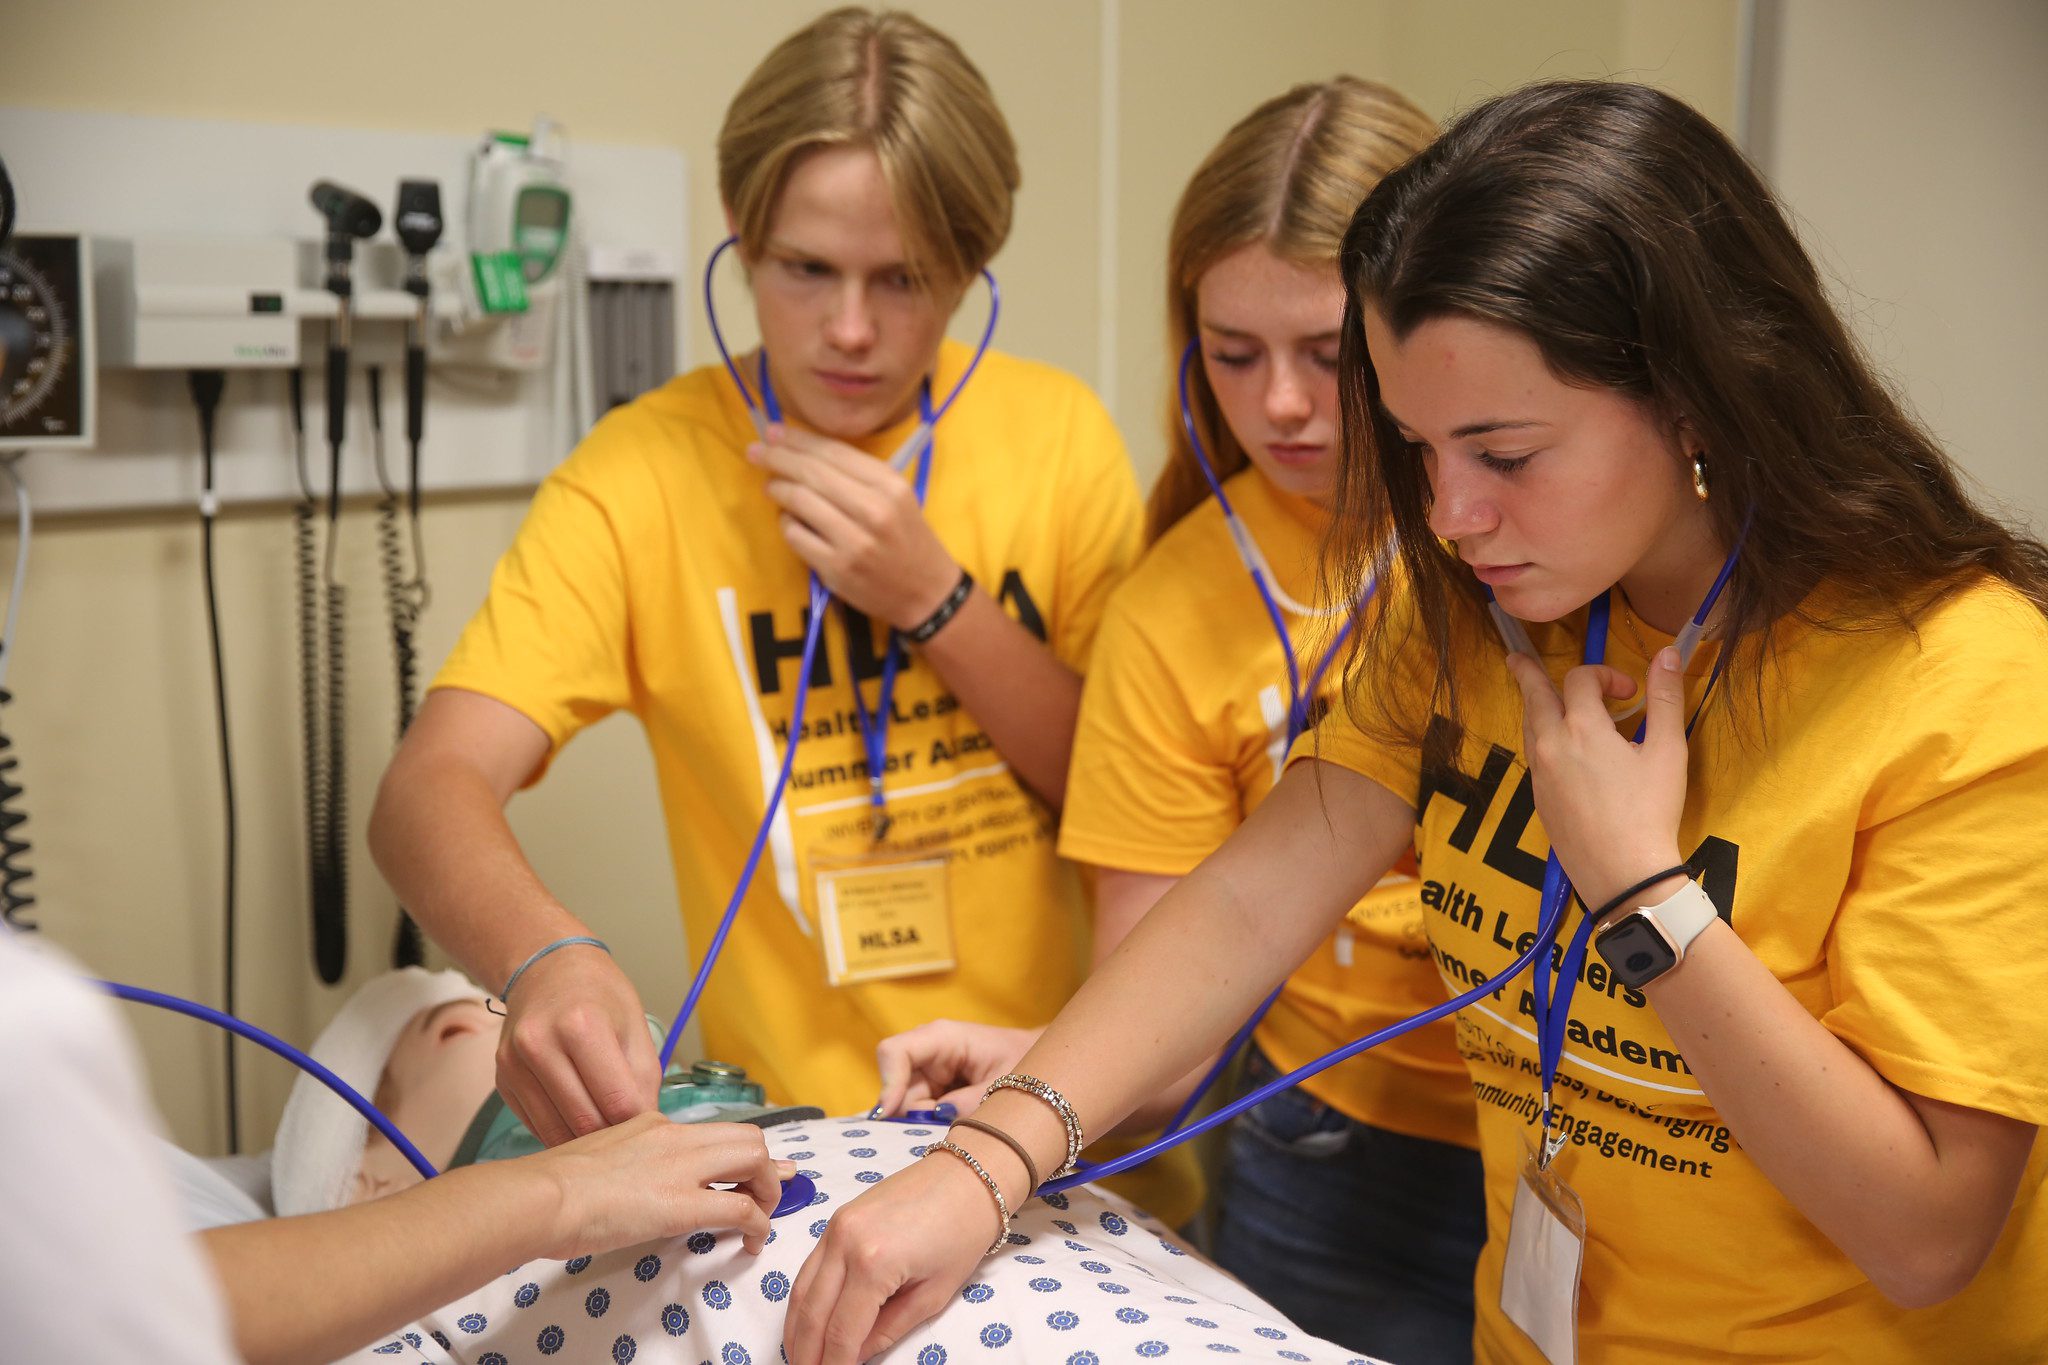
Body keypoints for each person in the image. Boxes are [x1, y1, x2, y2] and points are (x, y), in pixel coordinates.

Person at [782, 80, 2048, 1365]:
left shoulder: (1968, 688)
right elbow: (1239, 906)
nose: (1446, 517)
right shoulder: (1475, 619)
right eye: (1414, 448)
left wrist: (1646, 898)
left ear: (1697, 400)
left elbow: (1929, 1234)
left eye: (1501, 456)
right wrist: (984, 1166)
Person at [368, 6, 1196, 1222]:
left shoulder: (1053, 438)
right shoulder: (640, 474)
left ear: (969, 269)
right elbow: (422, 792)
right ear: (739, 233)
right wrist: (547, 957)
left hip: (1065, 1129)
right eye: (805, 269)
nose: (850, 329)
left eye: (903, 279)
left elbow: (1131, 799)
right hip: (803, 1155)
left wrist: (933, 600)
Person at [870, 78, 1486, 1363]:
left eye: (1329, 354)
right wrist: (1046, 1075)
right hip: (1330, 1157)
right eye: (1232, 354)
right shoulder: (1172, 604)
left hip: (1599, 1129)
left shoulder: (1525, 530)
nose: (1279, 407)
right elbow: (1177, 980)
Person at [0, 938, 789, 1365]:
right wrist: (559, 1190)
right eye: (480, 1015)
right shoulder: (436, 1320)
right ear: (370, 1182)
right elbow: (146, 1310)